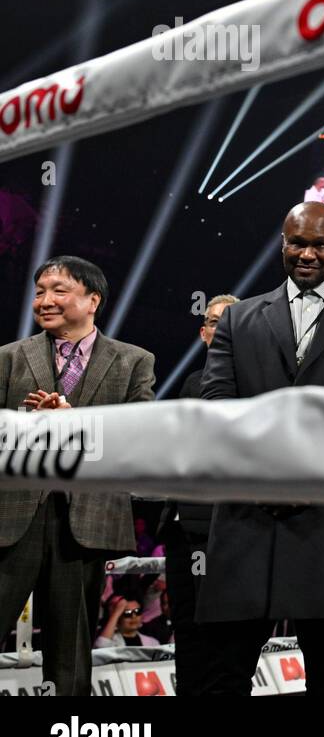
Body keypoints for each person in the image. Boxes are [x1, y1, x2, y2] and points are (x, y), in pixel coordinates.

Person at [195, 202, 324, 695]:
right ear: (282, 243)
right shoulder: (239, 319)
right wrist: (269, 475)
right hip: (247, 521)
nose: (306, 254)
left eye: (319, 244)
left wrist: (311, 476)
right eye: (296, 243)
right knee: (224, 678)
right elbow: (218, 408)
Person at [0, 256, 155, 695]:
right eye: (40, 291)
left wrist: (76, 422)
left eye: (59, 290)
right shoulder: (8, 359)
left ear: (92, 300)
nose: (45, 300)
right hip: (11, 519)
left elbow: (138, 438)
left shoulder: (133, 362)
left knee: (69, 660)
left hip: (84, 523)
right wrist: (27, 425)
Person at [160, 293, 238, 694]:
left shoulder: (255, 380)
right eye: (211, 321)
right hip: (181, 524)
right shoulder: (191, 381)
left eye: (228, 321)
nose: (218, 328)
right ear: (202, 333)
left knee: (220, 630)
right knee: (186, 627)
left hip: (221, 526)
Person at [95, 595, 159, 648]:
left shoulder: (153, 643)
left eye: (137, 611)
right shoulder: (110, 641)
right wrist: (116, 612)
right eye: (127, 613)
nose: (133, 616)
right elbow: (100, 646)